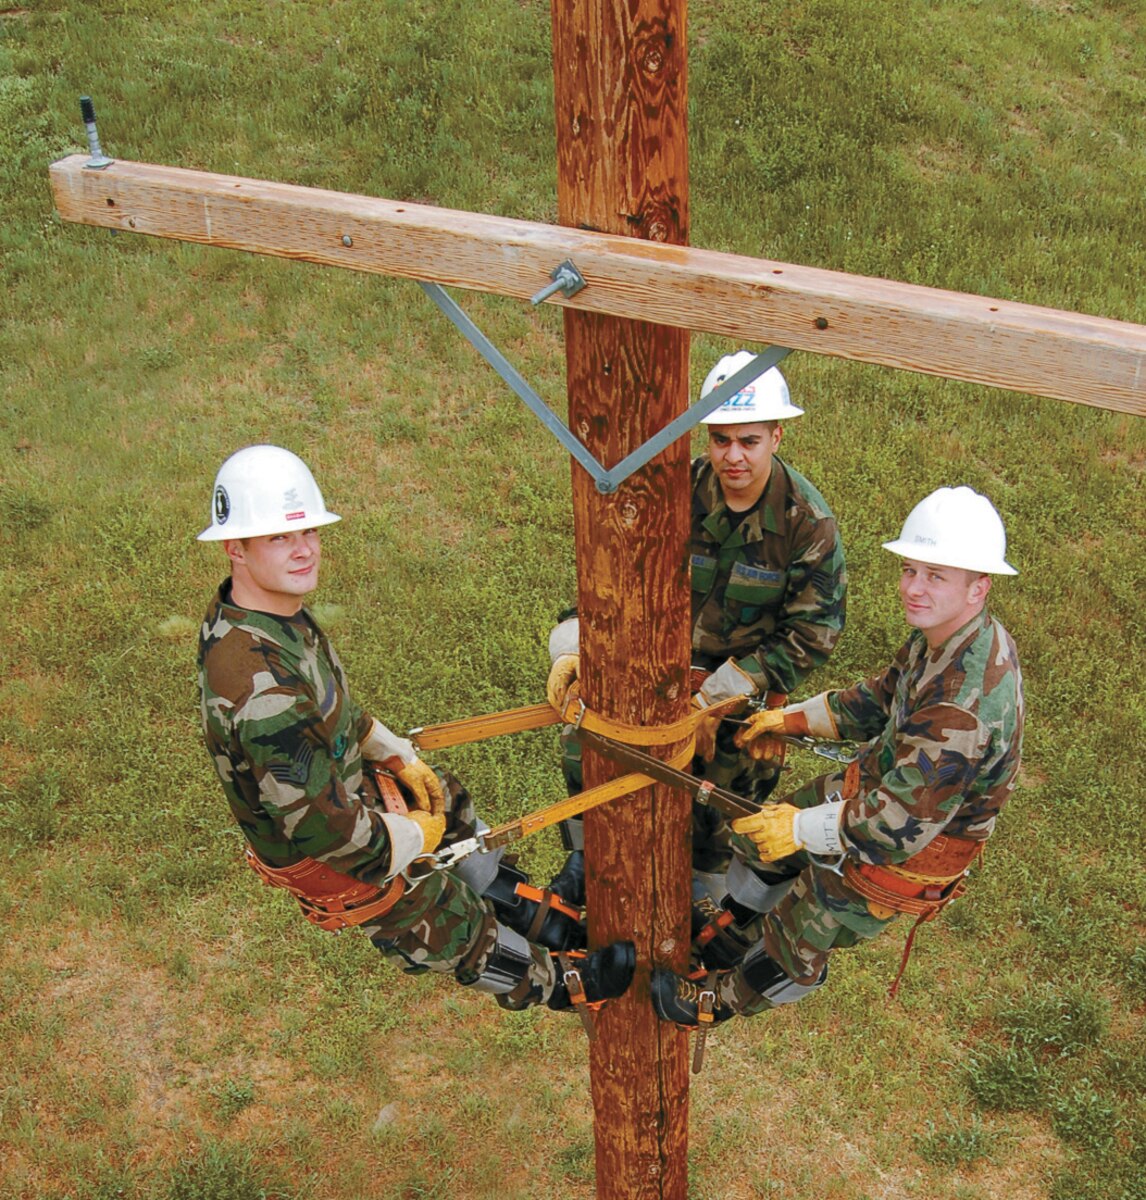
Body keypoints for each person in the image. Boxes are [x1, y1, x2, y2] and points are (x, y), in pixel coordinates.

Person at [196, 444, 633, 1018]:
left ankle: (522, 907)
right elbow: (328, 836)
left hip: (340, 795)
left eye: (308, 532)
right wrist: (411, 839)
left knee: (442, 798)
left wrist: (387, 747)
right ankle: (564, 983)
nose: (304, 550)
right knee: (444, 919)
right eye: (279, 537)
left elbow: (324, 705)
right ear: (236, 547)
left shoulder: (265, 612)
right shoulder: (261, 691)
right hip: (330, 845)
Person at [650, 485, 1024, 1025]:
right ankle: (734, 931)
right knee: (761, 840)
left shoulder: (964, 707)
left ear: (979, 588)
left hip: (912, 842)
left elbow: (896, 827)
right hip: (879, 790)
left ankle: (717, 1002)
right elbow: (880, 698)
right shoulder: (944, 637)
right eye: (910, 570)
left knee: (802, 927)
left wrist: (802, 830)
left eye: (936, 576)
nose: (914, 588)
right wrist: (790, 718)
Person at [547, 351, 847, 900]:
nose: (733, 456)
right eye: (720, 439)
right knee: (586, 735)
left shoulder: (807, 524)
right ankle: (586, 857)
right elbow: (612, 576)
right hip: (657, 661)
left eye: (749, 441)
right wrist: (574, 647)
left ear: (776, 437)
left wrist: (716, 697)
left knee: (729, 782)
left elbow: (813, 633)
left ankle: (701, 892)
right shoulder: (673, 493)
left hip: (744, 683)